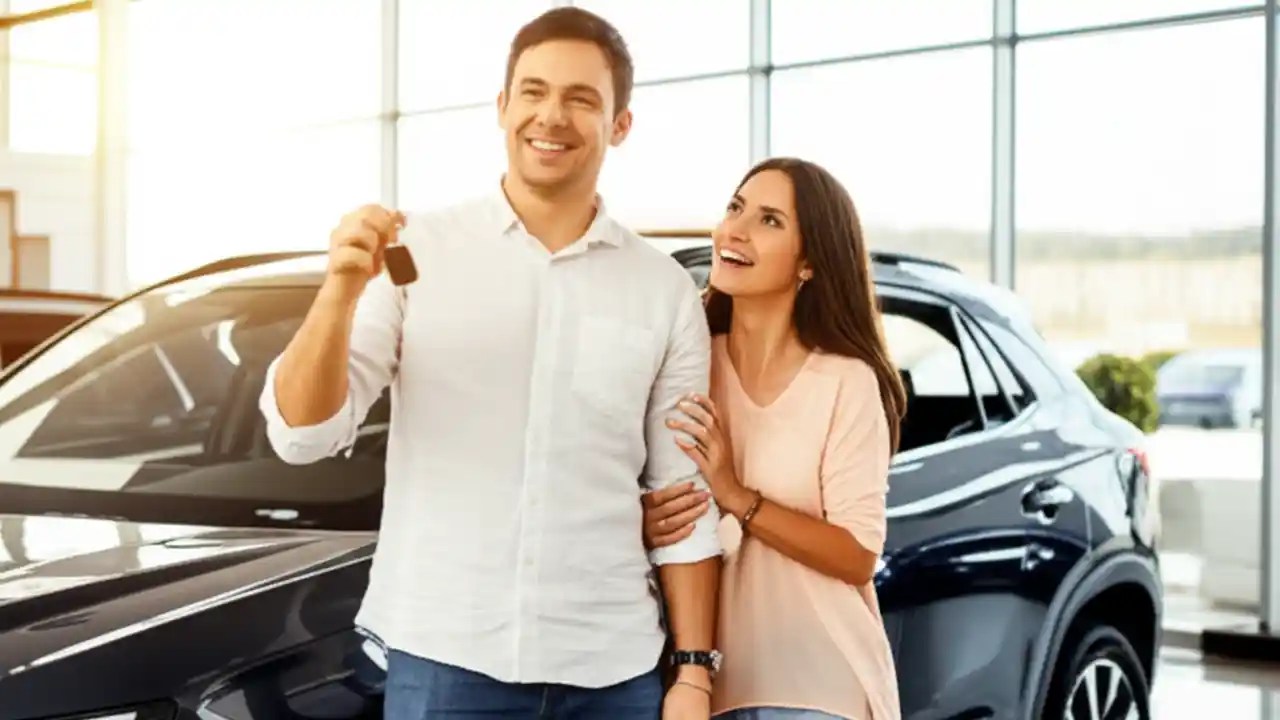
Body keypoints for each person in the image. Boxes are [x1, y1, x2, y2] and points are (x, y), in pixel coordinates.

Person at [259, 7, 722, 719]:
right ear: (502, 108)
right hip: (447, 661)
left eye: (582, 99)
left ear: (620, 125)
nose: (552, 116)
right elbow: (304, 435)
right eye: (533, 92)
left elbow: (681, 499)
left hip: (615, 668)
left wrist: (693, 670)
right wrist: (338, 294)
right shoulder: (418, 255)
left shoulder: (662, 289)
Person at [641, 157, 908, 720]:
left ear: (809, 261)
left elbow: (858, 555)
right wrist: (642, 523)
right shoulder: (689, 365)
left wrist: (737, 496)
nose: (734, 230)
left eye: (769, 221)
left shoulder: (846, 382)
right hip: (700, 689)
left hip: (819, 690)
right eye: (735, 208)